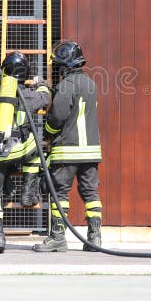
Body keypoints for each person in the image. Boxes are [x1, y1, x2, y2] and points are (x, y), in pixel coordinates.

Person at [34, 41, 103, 253]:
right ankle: (94, 238)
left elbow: (57, 118)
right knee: (91, 194)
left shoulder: (66, 86)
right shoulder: (91, 84)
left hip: (67, 151)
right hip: (90, 152)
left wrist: (47, 134)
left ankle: (57, 238)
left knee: (59, 193)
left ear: (64, 64)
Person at [0, 51, 51, 253]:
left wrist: (1, 71)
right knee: (38, 148)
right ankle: (28, 189)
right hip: (19, 151)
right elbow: (45, 97)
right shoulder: (28, 96)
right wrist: (40, 83)